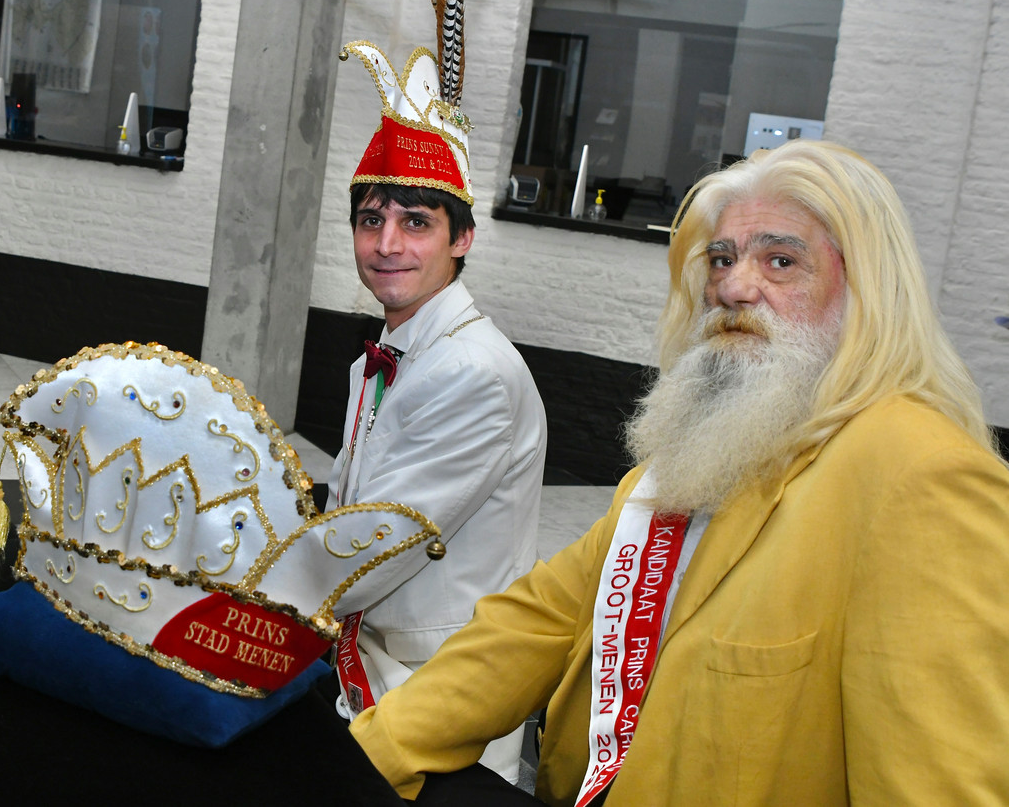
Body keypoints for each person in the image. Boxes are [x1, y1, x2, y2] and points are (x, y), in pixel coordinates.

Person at [349, 139, 1009, 805]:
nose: (734, 287)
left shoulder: (926, 479)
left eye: (781, 261)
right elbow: (527, 627)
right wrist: (359, 760)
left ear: (869, 289)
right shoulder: (704, 455)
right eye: (722, 259)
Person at [328, 40, 547, 783]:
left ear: (463, 238)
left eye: (416, 222)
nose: (386, 244)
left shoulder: (472, 372)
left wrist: (238, 574)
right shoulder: (389, 354)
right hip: (365, 668)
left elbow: (370, 548)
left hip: (435, 699)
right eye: (370, 220)